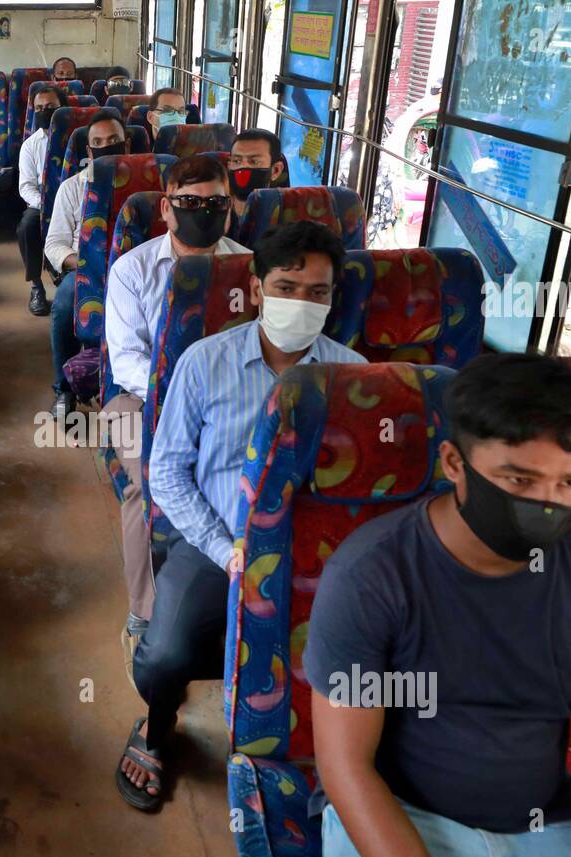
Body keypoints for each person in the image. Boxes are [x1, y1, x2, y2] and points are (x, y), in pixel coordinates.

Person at [304, 353, 571, 857]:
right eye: (519, 482)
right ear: (454, 464)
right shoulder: (371, 576)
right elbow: (346, 766)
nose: (548, 504)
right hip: (401, 814)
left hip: (546, 829)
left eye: (569, 483)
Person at [117, 221, 366, 811]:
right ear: (256, 290)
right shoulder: (205, 362)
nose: (301, 304)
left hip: (318, 554)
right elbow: (169, 471)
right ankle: (157, 726)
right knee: (166, 654)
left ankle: (341, 756)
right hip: (216, 540)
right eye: (286, 286)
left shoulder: (354, 379)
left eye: (318, 293)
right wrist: (225, 544)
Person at [102, 154, 250, 660]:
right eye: (189, 203)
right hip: (142, 400)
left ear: (229, 210)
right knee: (147, 483)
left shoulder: (251, 270)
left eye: (215, 203)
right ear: (166, 208)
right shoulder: (132, 270)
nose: (202, 212)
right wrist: (185, 398)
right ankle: (145, 607)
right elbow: (126, 359)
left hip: (233, 399)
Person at [46, 109, 129, 415]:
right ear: (90, 151)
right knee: (66, 302)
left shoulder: (149, 184)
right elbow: (54, 244)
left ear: (127, 144)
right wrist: (84, 265)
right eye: (99, 143)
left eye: (114, 141)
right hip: (86, 268)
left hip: (137, 269)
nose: (107, 147)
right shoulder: (73, 187)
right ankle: (63, 389)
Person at [17, 85, 68, 316]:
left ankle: (66, 279)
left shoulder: (78, 139)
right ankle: (37, 285)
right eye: (39, 108)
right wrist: (48, 207)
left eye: (50, 108)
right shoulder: (31, 145)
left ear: (63, 109)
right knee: (27, 226)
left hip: (75, 202)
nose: (44, 112)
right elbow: (26, 186)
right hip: (42, 203)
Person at [229, 128, 287, 220]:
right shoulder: (214, 212)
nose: (243, 167)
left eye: (254, 161)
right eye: (236, 161)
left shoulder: (286, 223)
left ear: (276, 170)